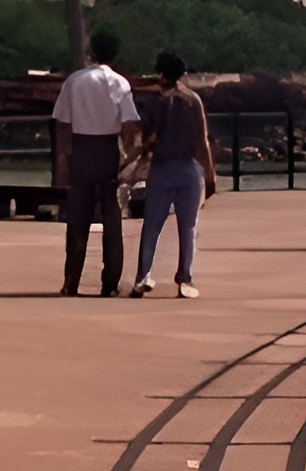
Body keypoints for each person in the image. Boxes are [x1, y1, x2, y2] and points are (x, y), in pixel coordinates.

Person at [54, 31, 139, 297]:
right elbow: (130, 125)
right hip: (107, 150)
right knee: (112, 220)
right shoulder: (119, 83)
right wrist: (127, 157)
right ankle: (110, 283)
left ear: (91, 51)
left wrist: (63, 159)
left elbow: (63, 124)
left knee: (77, 219)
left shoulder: (74, 81)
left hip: (81, 150)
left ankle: (71, 281)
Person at [132, 51, 218, 299]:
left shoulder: (154, 103)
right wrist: (210, 176)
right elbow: (202, 140)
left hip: (161, 169)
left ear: (160, 73)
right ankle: (185, 278)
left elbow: (145, 139)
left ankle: (143, 276)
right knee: (188, 228)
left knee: (152, 226)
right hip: (189, 170)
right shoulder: (193, 100)